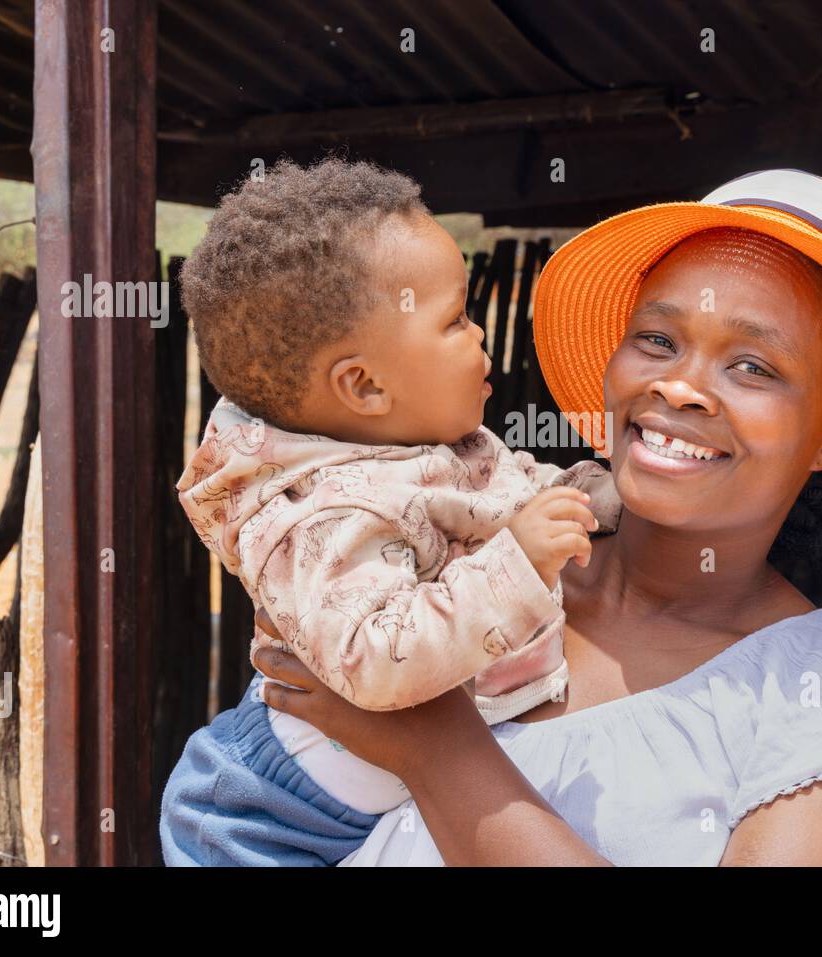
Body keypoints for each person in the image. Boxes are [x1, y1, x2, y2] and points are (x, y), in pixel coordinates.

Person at [246, 169, 822, 866]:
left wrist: (434, 746)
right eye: (658, 339)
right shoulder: (460, 554)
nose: (679, 385)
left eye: (753, 366)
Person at [159, 156, 621, 866]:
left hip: (378, 788)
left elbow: (511, 494)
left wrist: (597, 494)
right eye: (457, 319)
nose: (480, 336)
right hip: (275, 814)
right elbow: (376, 662)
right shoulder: (318, 515)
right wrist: (518, 563)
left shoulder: (438, 445)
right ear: (366, 385)